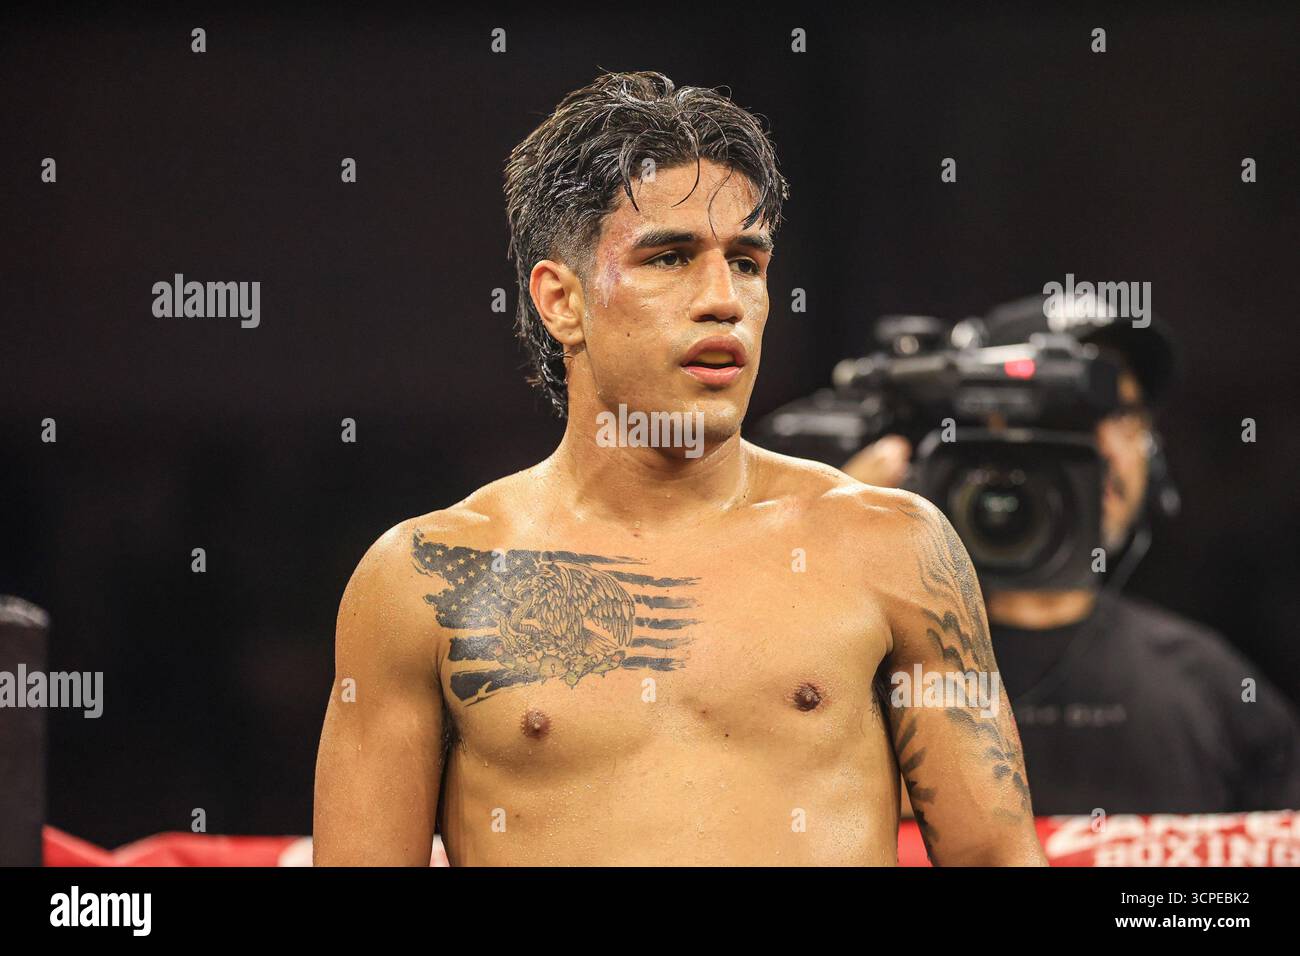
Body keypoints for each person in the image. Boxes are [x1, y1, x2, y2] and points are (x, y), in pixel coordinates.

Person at [312, 71, 1047, 865]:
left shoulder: (892, 546)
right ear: (562, 301)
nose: (723, 298)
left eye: (747, 262)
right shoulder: (425, 580)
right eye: (670, 258)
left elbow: (995, 859)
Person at [844, 294, 1300, 815]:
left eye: (1123, 414)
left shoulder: (1216, 689)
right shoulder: (859, 665)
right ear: (978, 431)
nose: (1102, 447)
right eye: (1070, 412)